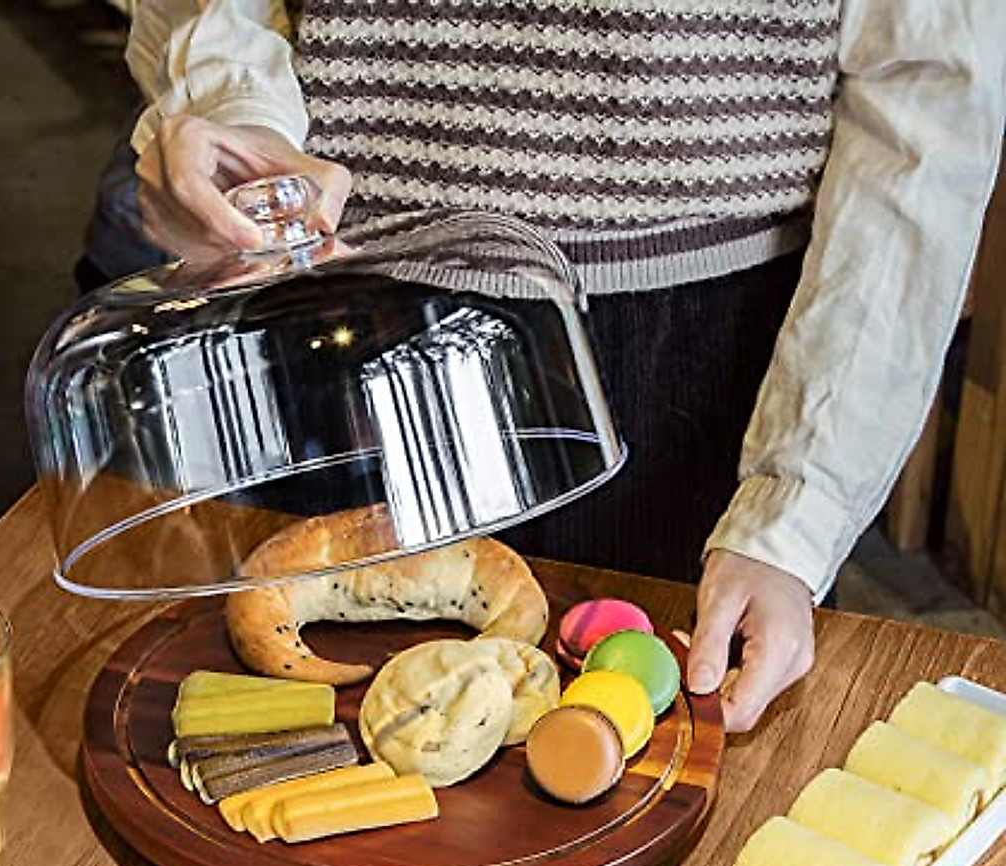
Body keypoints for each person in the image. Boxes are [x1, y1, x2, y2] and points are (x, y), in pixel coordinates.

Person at [93, 0, 1006, 733]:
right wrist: (231, 112)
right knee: (300, 785)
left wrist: (797, 512)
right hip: (336, 311)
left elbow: (923, 104)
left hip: (711, 372)